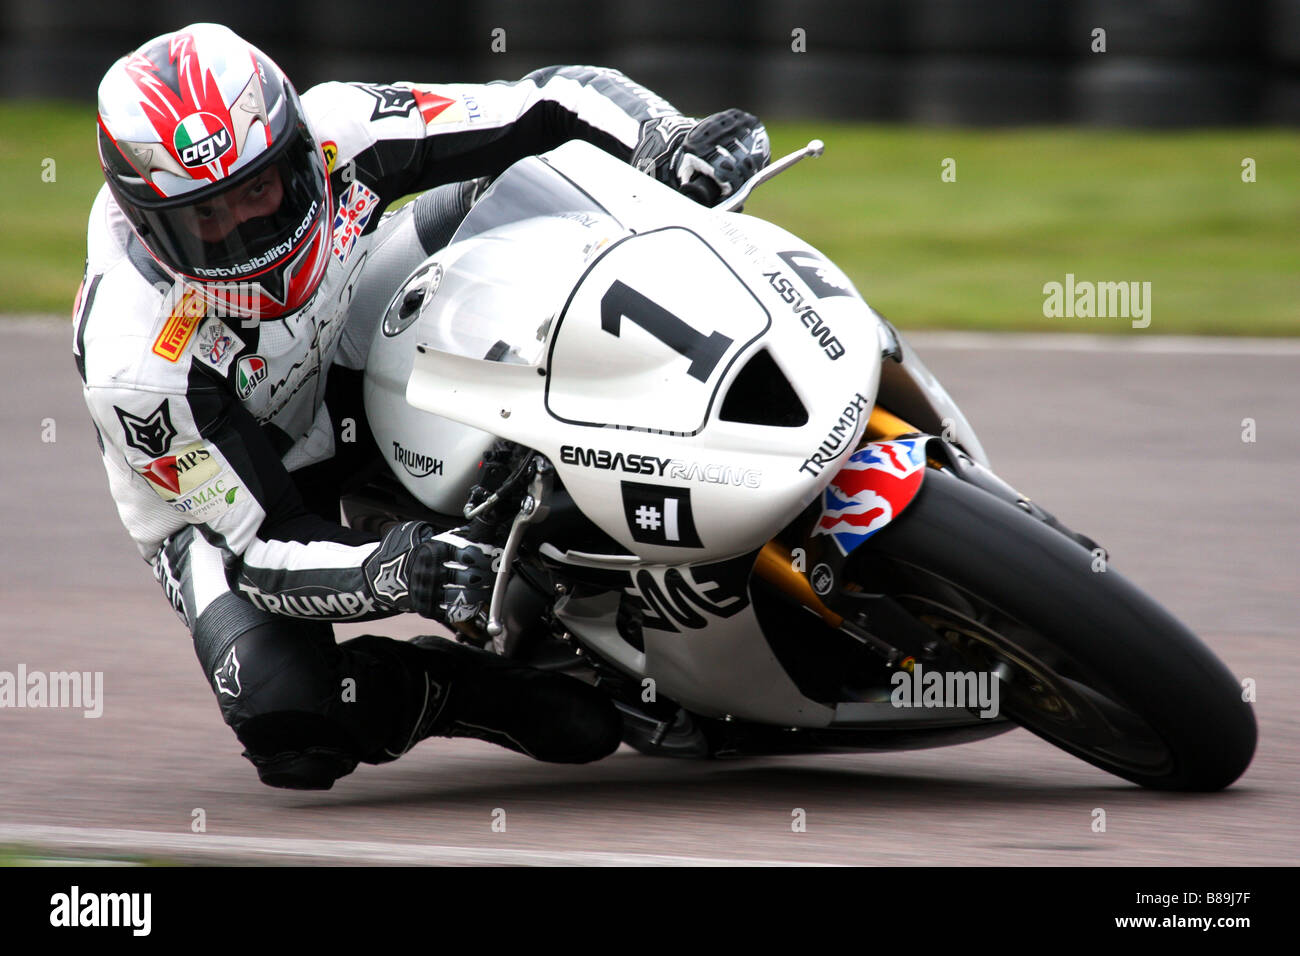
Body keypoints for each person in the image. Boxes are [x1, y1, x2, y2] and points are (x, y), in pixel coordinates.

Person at [75, 22, 770, 790]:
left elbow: (543, 103)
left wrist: (669, 138)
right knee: (287, 717)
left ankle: (715, 374)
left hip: (354, 324)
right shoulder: (136, 362)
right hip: (237, 493)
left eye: (260, 191)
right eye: (207, 218)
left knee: (516, 190)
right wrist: (403, 568)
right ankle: (448, 689)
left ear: (298, 151)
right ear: (146, 223)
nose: (250, 233)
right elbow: (261, 549)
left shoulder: (342, 128)